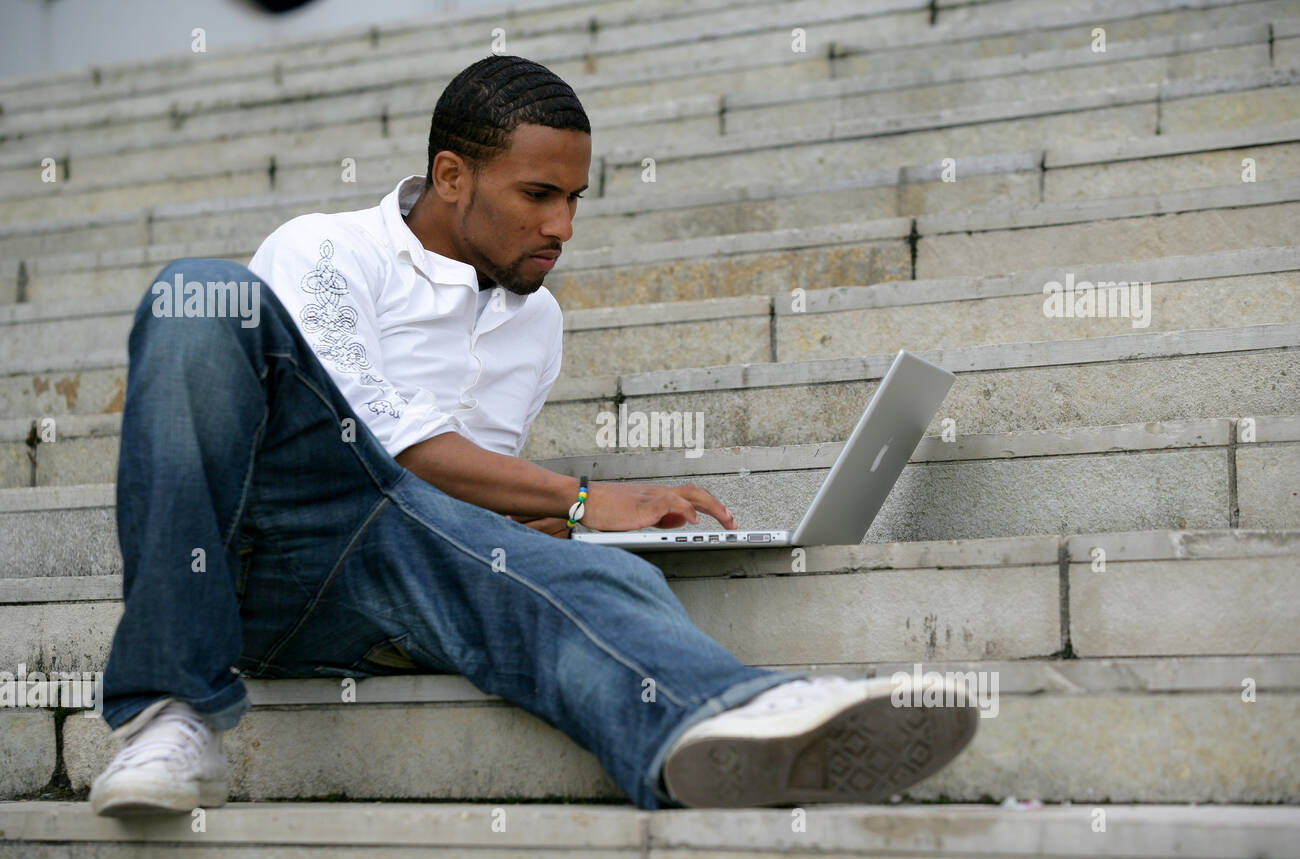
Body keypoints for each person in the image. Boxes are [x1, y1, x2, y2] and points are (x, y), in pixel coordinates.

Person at [89, 54, 976, 817]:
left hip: (386, 579)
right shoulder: (327, 252)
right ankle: (171, 715)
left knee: (587, 568)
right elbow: (385, 445)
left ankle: (713, 723)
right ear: (450, 177)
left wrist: (549, 530)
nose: (562, 226)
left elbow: (449, 496)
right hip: (259, 560)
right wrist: (583, 495)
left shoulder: (536, 321)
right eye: (538, 195)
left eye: (575, 198)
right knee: (196, 290)